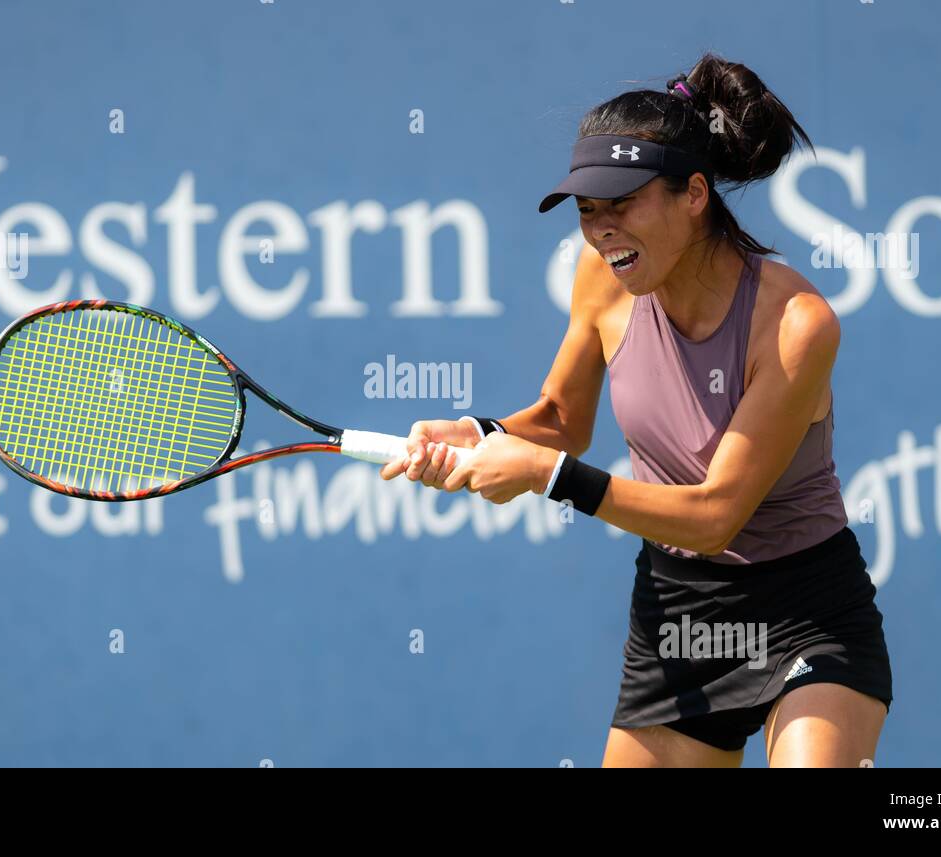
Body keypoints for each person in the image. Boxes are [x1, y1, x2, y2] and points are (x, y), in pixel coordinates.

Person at [380, 53, 892, 768]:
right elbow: (561, 417)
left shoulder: (797, 322)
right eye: (589, 211)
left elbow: (717, 514)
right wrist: (475, 433)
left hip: (807, 615)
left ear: (694, 194)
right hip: (677, 617)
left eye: (622, 204)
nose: (602, 230)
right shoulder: (601, 278)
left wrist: (549, 476)